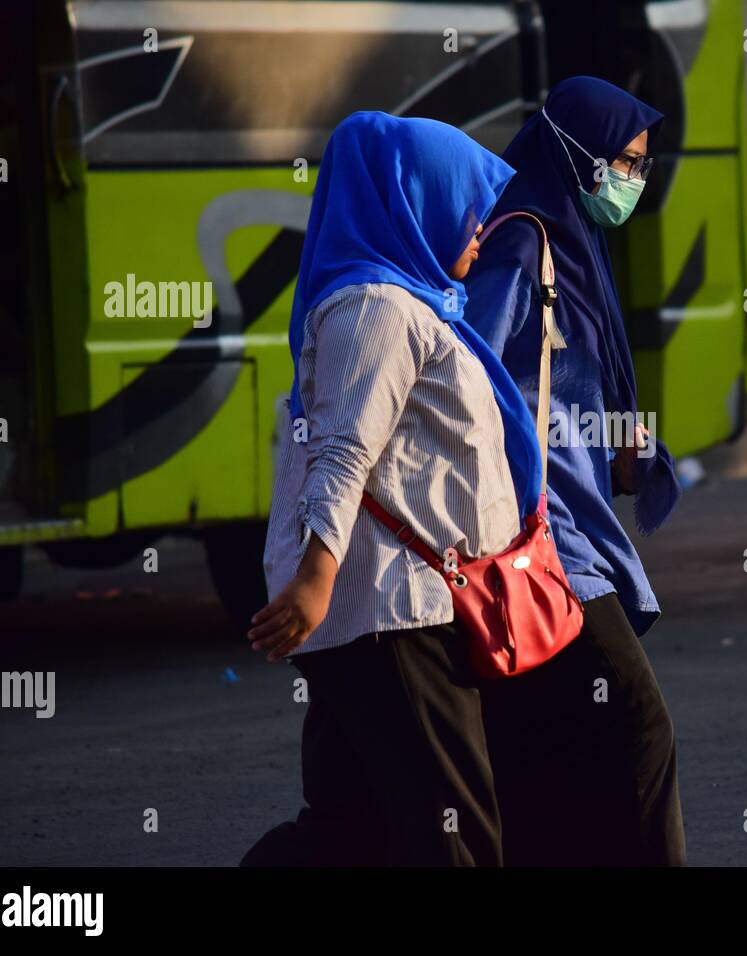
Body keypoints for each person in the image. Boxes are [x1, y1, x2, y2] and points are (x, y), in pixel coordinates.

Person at [240, 111, 545, 867]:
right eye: (467, 205)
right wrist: (316, 579)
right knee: (456, 837)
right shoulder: (375, 308)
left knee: (350, 833)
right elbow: (343, 450)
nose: (481, 226)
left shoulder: (416, 303)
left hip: (395, 611)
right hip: (396, 615)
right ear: (418, 199)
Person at [463, 76, 686, 866]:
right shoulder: (521, 244)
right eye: (623, 161)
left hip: (577, 521)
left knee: (546, 756)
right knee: (639, 727)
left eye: (642, 166)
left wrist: (630, 448)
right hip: (546, 542)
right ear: (574, 149)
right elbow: (472, 379)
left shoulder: (576, 246)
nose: (632, 178)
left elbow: (590, 383)